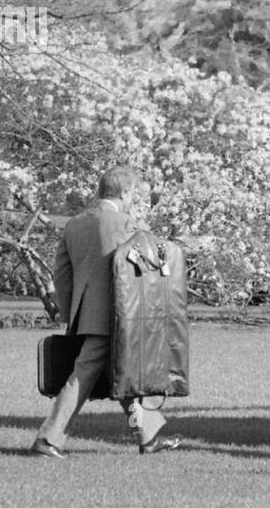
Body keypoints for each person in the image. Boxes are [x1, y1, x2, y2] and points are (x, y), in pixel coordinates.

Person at [31, 165, 181, 458]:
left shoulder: (74, 223)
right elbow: (147, 270)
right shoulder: (126, 224)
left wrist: (69, 312)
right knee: (84, 376)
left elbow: (62, 274)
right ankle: (48, 439)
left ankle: (149, 439)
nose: (133, 200)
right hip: (117, 316)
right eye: (133, 194)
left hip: (85, 315)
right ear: (125, 192)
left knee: (123, 375)